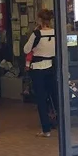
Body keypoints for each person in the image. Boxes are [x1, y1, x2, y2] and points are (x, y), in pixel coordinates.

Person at [24, 9, 58, 137]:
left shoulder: (36, 34)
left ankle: (46, 129)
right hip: (51, 67)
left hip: (38, 69)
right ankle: (58, 121)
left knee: (41, 99)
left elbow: (26, 49)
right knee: (54, 96)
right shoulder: (56, 32)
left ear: (39, 20)